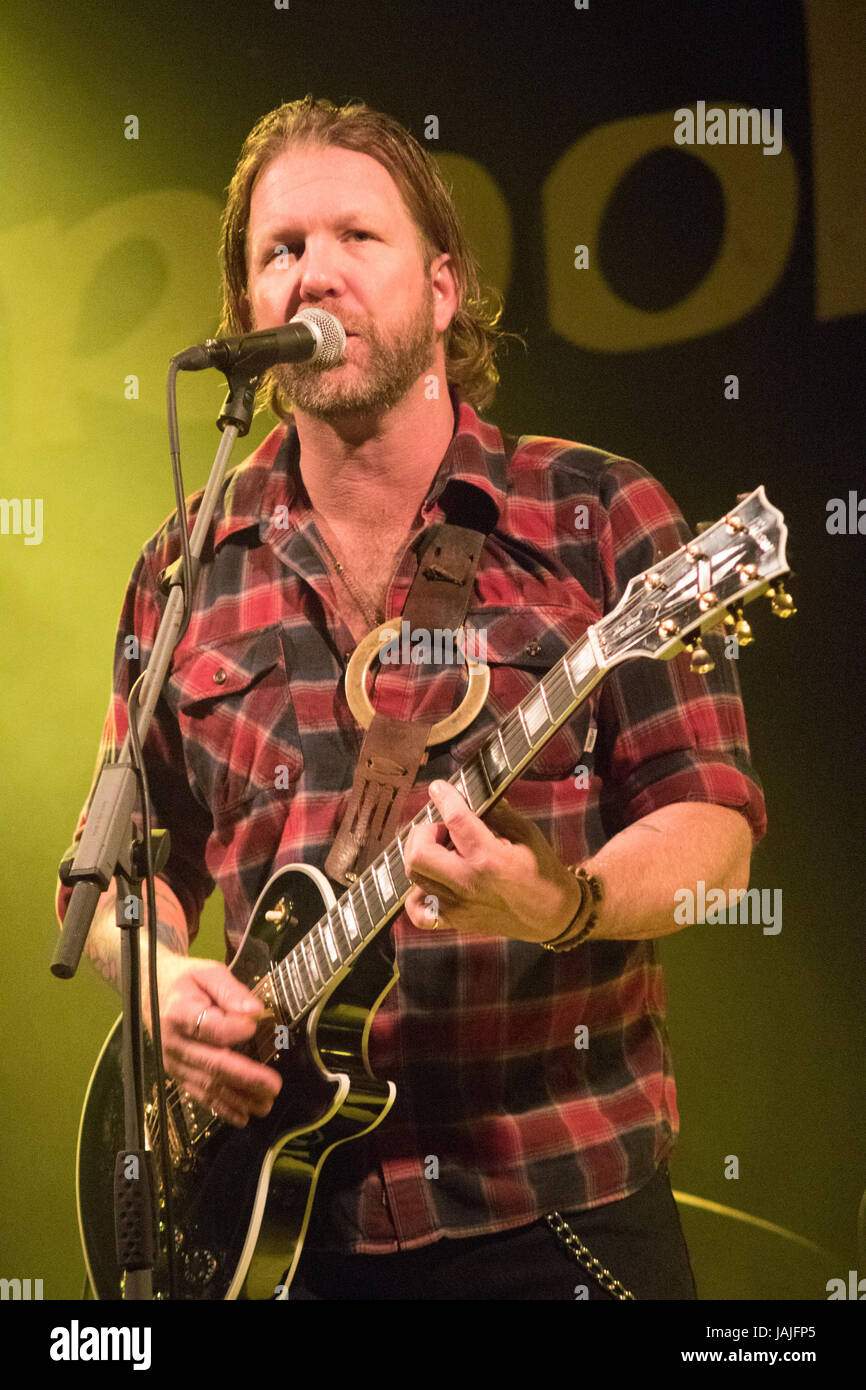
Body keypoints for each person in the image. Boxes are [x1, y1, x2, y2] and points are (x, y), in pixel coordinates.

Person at [57, 95, 766, 1301]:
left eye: (354, 239)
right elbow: (116, 879)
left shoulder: (598, 514)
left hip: (556, 1208)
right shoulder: (184, 566)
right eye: (279, 251)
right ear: (243, 311)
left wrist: (561, 898)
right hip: (283, 1232)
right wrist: (167, 988)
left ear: (443, 288)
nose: (311, 275)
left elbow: (714, 832)